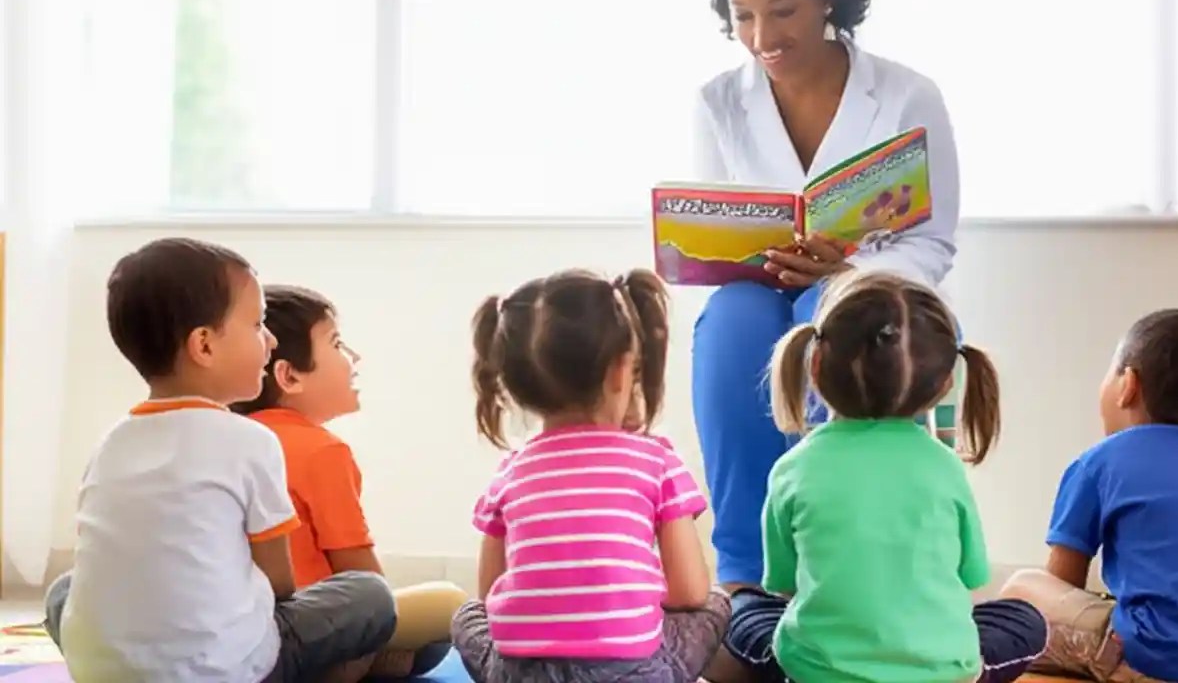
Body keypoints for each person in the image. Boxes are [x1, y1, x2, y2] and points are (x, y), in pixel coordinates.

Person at [691, 0, 962, 591]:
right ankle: (745, 575)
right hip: (760, 292)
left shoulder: (906, 96)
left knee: (826, 307)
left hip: (874, 295)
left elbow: (933, 240)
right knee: (731, 318)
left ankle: (834, 569)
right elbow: (715, 226)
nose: (762, 36)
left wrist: (846, 270)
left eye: (782, 11)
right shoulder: (718, 102)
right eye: (744, 16)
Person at [43, 237, 396, 682]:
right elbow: (279, 584)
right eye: (257, 324)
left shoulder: (110, 444)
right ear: (204, 346)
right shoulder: (251, 441)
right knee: (370, 596)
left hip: (106, 671)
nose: (269, 341)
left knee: (64, 590)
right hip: (229, 669)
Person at [709, 271, 1045, 683]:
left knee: (744, 607)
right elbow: (972, 577)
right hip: (939, 673)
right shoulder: (943, 465)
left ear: (813, 365)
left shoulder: (793, 468)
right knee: (1023, 619)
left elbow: (783, 584)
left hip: (817, 673)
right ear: (944, 387)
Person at [450, 269, 730, 682]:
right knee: (717, 603)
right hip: (637, 673)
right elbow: (689, 591)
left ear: (512, 383)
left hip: (520, 675)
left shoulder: (509, 471)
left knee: (466, 615)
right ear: (621, 372)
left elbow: (491, 594)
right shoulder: (657, 459)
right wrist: (626, 596)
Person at [1002, 309, 1178, 682]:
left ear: (1127, 385)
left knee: (1023, 589)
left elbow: (1063, 583)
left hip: (1163, 661)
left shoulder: (1098, 462)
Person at [233, 284, 467, 678]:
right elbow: (360, 572)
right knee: (451, 604)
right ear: (289, 376)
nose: (354, 358)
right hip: (303, 632)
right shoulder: (322, 450)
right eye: (337, 343)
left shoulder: (231, 439)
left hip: (240, 633)